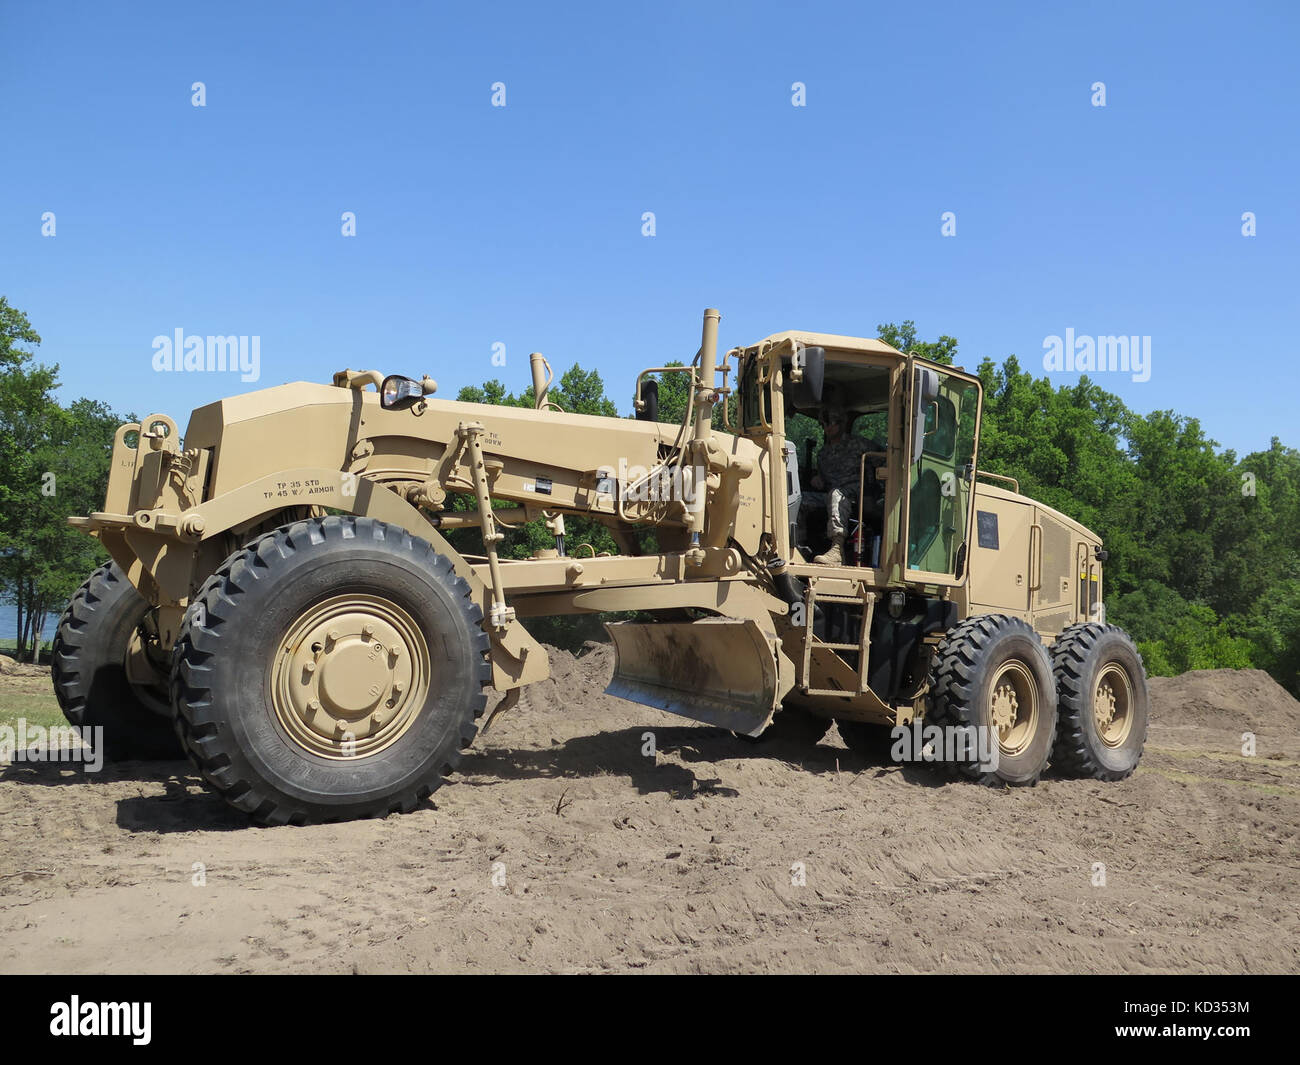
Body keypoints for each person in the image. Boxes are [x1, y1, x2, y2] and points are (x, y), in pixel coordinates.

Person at [801, 405, 873, 565]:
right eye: (824, 423)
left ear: (842, 423)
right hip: (833, 494)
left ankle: (837, 549)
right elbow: (825, 481)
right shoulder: (823, 454)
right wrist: (818, 480)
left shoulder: (860, 444)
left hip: (857, 493)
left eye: (832, 422)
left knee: (836, 494)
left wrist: (872, 491)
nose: (828, 427)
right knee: (800, 499)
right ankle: (798, 547)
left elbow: (884, 461)